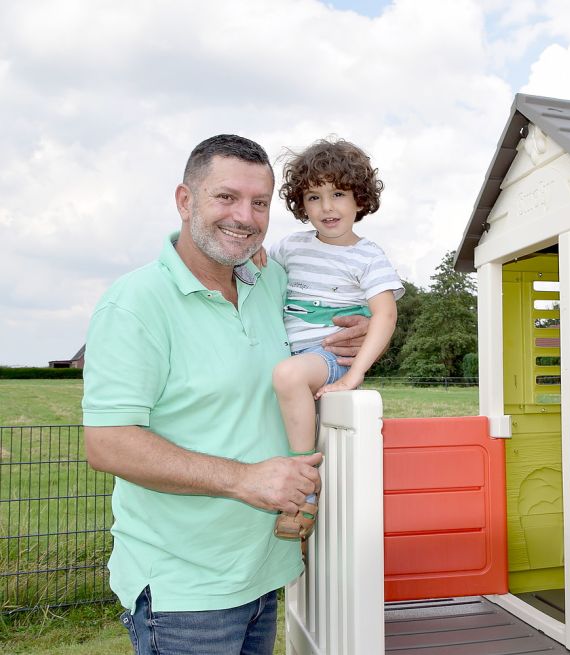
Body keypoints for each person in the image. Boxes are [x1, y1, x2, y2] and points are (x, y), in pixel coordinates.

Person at [82, 134, 368, 655]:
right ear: (185, 201)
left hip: (265, 573)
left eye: (260, 203)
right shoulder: (134, 304)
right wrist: (243, 480)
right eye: (226, 197)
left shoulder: (274, 282)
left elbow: (336, 317)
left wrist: (354, 333)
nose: (245, 216)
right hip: (183, 593)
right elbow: (107, 442)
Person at [261, 138, 403, 540]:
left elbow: (385, 314)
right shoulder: (288, 247)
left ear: (360, 199)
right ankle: (300, 540)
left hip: (327, 356)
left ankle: (304, 479)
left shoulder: (368, 256)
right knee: (284, 380)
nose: (327, 207)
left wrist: (353, 375)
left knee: (289, 376)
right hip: (292, 352)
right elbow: (263, 284)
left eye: (338, 194)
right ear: (301, 205)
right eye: (314, 196)